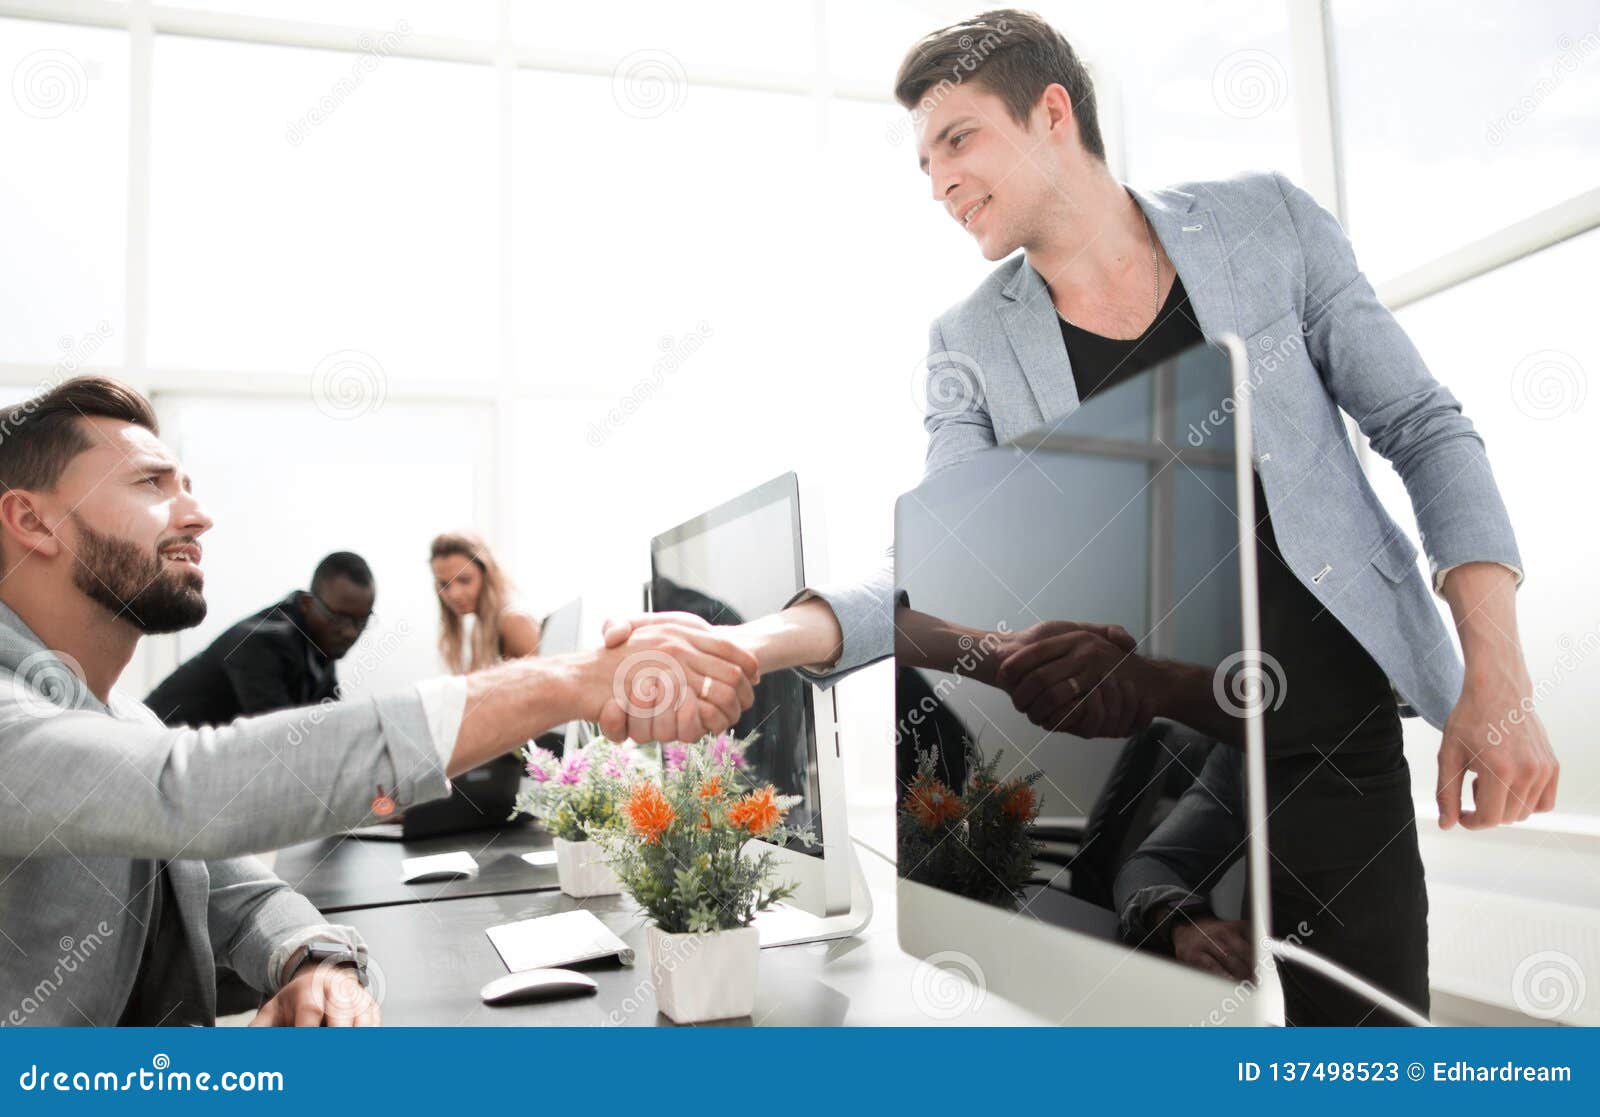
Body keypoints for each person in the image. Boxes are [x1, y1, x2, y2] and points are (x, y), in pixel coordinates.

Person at [602, 10, 1558, 1023]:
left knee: (1372, 1048)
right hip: (1163, 764)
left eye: (957, 140)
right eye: (923, 163)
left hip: (1333, 736)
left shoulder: (1266, 224)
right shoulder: (968, 343)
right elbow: (944, 559)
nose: (939, 183)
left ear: (1052, 113)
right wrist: (759, 640)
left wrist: (1495, 674)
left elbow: (1423, 428)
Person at [0, 376, 758, 1026]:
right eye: (151, 484)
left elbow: (244, 893)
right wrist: (572, 680)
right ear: (32, 520)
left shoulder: (120, 716)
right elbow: (191, 790)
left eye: (187, 486)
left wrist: (316, 961)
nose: (196, 515)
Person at [145, 551, 376, 728]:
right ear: (307, 604)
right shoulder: (262, 644)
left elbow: (331, 732)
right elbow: (285, 743)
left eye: (361, 621)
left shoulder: (321, 649)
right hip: (145, 766)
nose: (350, 633)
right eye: (339, 619)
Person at [429, 531, 539, 674]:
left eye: (465, 580)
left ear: (487, 575)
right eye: (444, 584)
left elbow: (556, 690)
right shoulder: (479, 628)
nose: (454, 594)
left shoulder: (514, 621)